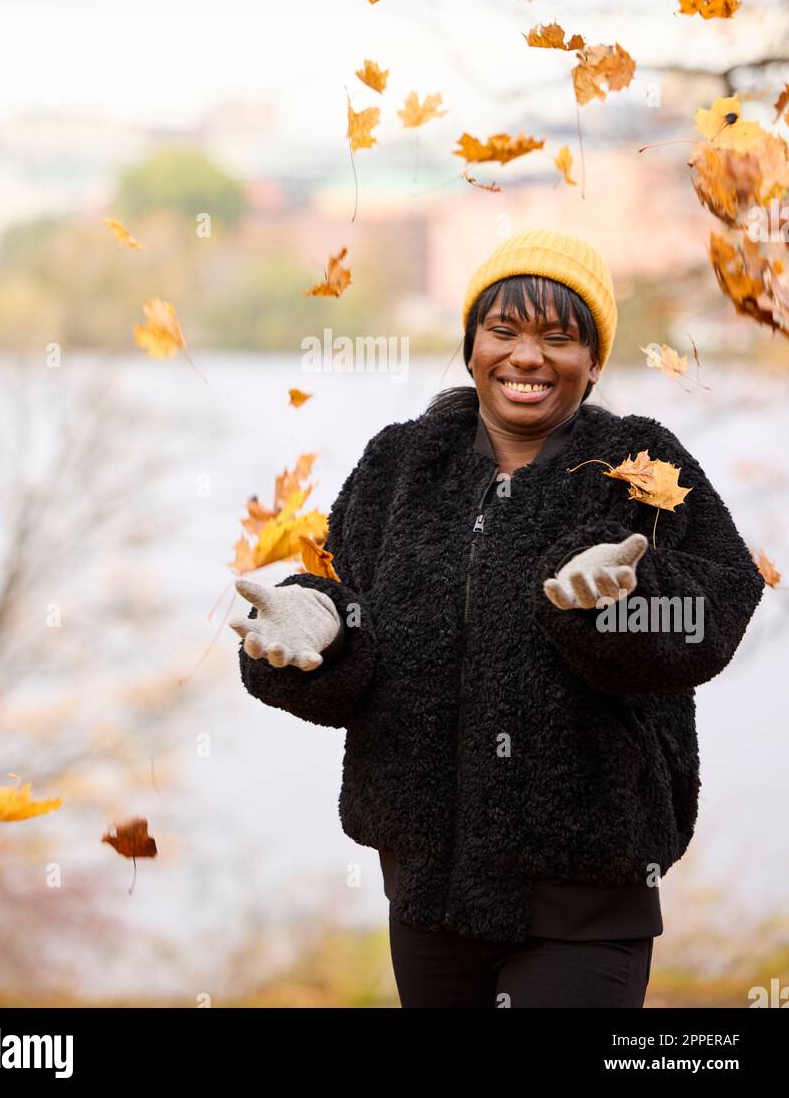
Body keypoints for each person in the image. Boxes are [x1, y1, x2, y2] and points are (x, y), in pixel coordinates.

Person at [230, 228, 765, 1008]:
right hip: (427, 891)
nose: (526, 357)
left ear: (593, 359)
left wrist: (621, 598)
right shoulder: (400, 463)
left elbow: (717, 602)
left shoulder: (639, 466)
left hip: (585, 896)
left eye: (558, 337)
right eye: (503, 331)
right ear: (472, 345)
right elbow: (357, 610)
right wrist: (323, 627)